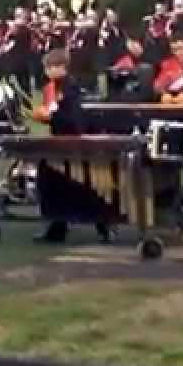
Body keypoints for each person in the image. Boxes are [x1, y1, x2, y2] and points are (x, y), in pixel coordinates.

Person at [31, 49, 109, 243]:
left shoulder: (71, 89)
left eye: (51, 67)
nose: (48, 71)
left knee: (83, 184)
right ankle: (58, 224)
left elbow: (75, 121)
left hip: (76, 144)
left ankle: (102, 223)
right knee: (50, 175)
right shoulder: (53, 88)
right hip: (60, 142)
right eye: (46, 68)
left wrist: (51, 117)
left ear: (62, 67)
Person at [153, 33, 183, 103]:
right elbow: (158, 89)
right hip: (170, 101)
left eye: (180, 48)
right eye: (174, 50)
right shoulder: (166, 64)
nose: (177, 53)